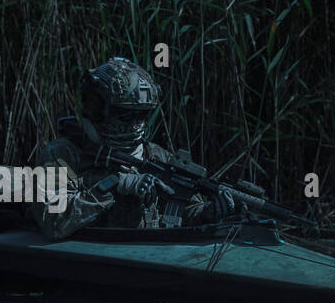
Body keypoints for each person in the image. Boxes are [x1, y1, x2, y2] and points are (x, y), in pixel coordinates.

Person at [26, 57, 238, 240]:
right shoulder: (62, 154)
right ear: (99, 109)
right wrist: (113, 185)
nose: (137, 124)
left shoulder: (156, 156)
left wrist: (207, 213)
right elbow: (52, 221)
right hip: (90, 262)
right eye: (127, 115)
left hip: (144, 260)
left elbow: (182, 211)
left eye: (143, 115)